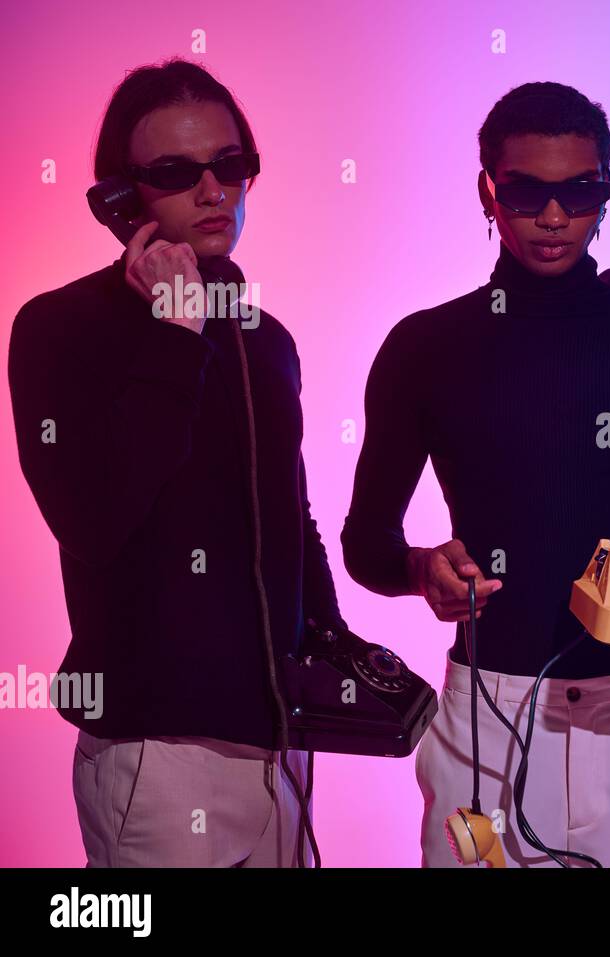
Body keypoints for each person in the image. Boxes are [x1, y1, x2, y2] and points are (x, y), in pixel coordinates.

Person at [341, 82, 610, 867]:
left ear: (608, 187)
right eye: (528, 191)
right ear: (488, 191)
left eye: (581, 190)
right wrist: (418, 566)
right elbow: (365, 541)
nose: (556, 216)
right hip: (488, 718)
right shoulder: (425, 347)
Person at [8, 58, 344, 867]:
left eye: (231, 165)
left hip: (280, 747)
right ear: (121, 199)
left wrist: (336, 650)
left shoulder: (266, 338)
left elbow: (289, 516)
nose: (213, 191)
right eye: (175, 173)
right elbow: (93, 519)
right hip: (156, 757)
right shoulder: (59, 327)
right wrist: (172, 333)